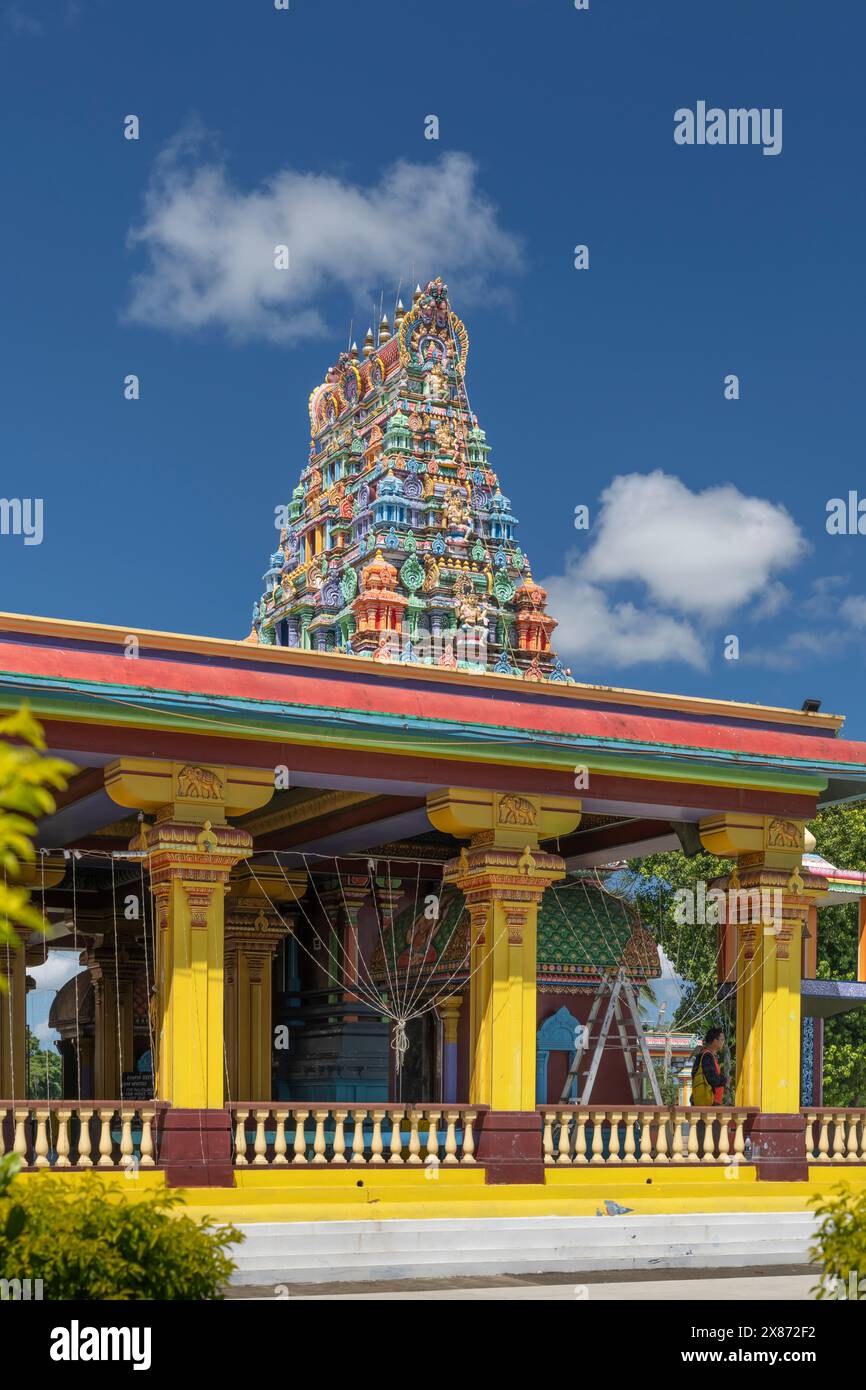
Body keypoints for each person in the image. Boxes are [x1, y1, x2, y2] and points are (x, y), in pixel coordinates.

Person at [690, 1028, 728, 1106]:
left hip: (703, 1101)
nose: (723, 1042)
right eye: (722, 1040)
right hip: (710, 1102)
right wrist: (725, 1080)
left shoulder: (703, 1055)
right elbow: (712, 1079)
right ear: (715, 1041)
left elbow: (694, 1075)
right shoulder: (707, 1056)